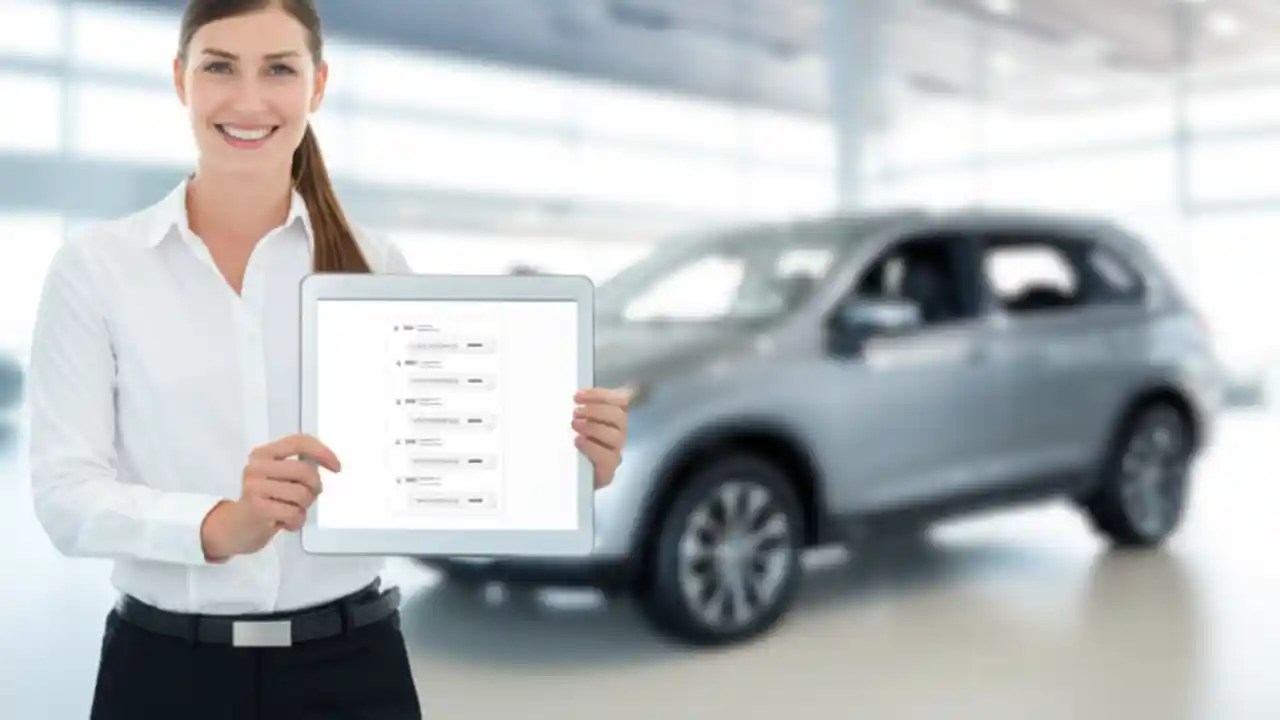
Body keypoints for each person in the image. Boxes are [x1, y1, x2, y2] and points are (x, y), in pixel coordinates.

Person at [25, 1, 630, 718]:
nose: (249, 99)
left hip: (353, 669)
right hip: (164, 674)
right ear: (181, 79)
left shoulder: (375, 264)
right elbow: (66, 495)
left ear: (316, 85)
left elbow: (426, 468)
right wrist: (218, 523)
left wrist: (561, 471)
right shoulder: (97, 268)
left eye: (279, 69)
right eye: (220, 67)